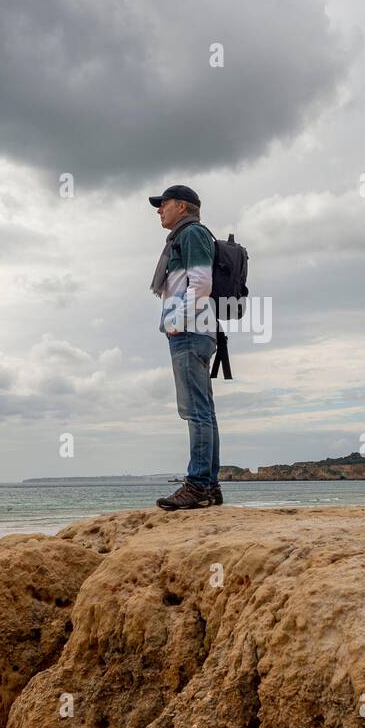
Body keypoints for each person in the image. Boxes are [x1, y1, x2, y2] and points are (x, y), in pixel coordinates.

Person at [148, 184, 222, 509]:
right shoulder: (185, 235)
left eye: (163, 204)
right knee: (204, 410)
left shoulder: (191, 233)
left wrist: (177, 320)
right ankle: (210, 486)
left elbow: (201, 282)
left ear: (182, 205)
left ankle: (197, 485)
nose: (159, 210)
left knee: (196, 411)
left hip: (190, 330)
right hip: (196, 329)